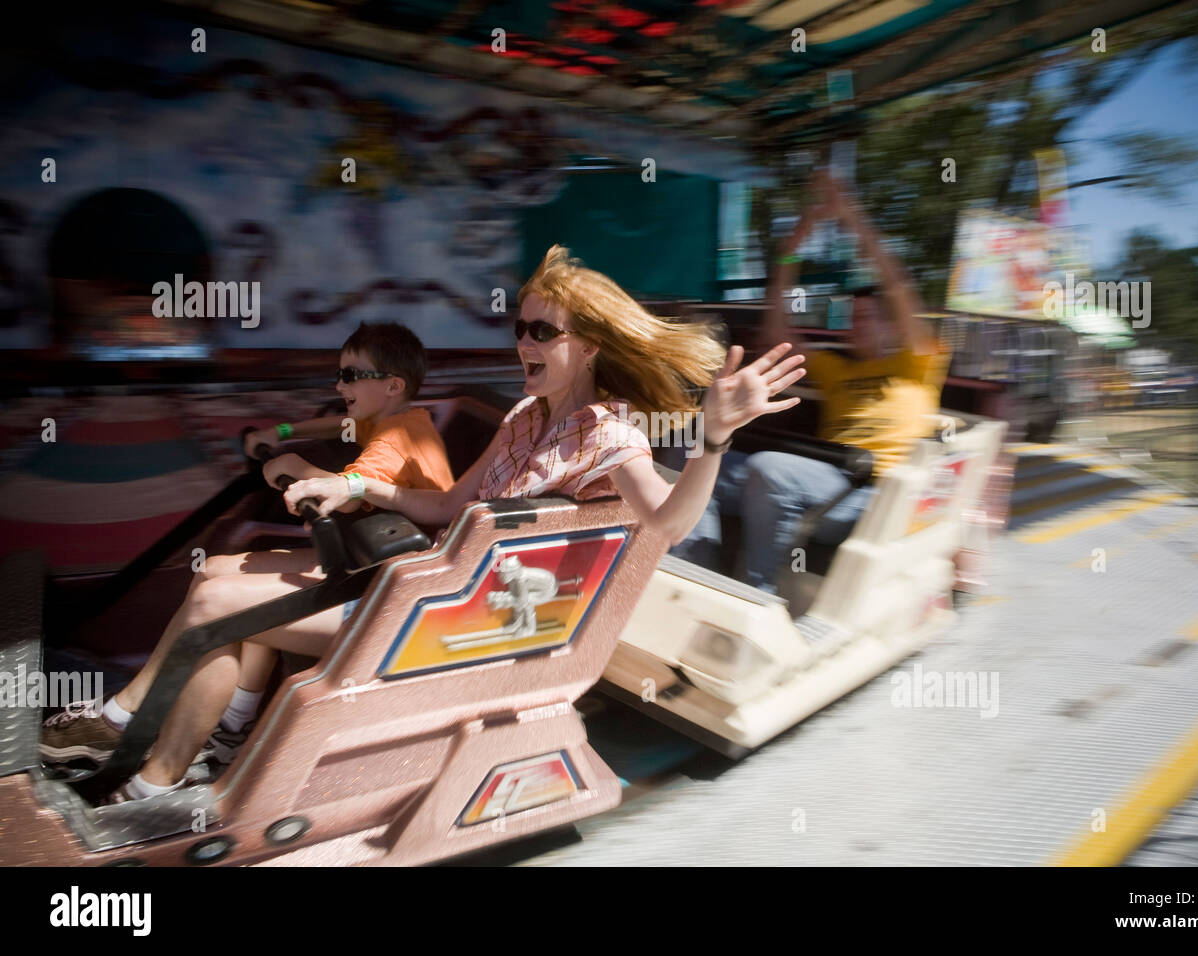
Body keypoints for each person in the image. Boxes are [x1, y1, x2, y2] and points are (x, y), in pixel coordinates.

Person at [62, 245, 804, 804]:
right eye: (521, 328)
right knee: (226, 578)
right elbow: (445, 508)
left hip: (473, 625)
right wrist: (345, 484)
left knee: (218, 603)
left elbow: (668, 523)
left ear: (590, 346)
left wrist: (712, 439)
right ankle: (189, 762)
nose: (524, 344)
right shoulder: (522, 420)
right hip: (433, 586)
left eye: (543, 331)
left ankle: (132, 740)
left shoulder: (612, 437)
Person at [41, 321, 456, 791]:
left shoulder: (399, 437)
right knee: (214, 570)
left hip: (394, 588)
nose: (339, 385)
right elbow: (335, 423)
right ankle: (232, 725)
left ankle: (126, 728)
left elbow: (347, 486)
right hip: (371, 564)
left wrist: (298, 467)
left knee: (212, 607)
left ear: (392, 385)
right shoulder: (386, 418)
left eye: (350, 376)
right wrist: (281, 430)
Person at [673, 170, 951, 590]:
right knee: (689, 451)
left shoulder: (918, 361)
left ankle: (754, 597)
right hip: (826, 474)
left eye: (868, 317)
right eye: (853, 317)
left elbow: (897, 282)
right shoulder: (838, 368)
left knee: (771, 469)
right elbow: (776, 336)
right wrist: (789, 251)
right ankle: (697, 571)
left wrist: (852, 215)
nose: (857, 325)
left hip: (873, 493)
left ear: (895, 326)